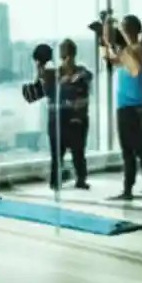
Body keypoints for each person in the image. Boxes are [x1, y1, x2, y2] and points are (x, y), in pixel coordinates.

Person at [101, 14, 142, 200]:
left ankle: (141, 186)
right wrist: (104, 38)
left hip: (134, 109)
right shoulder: (131, 51)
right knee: (133, 149)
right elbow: (110, 59)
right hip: (128, 107)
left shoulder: (139, 50)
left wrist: (117, 45)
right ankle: (134, 187)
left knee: (137, 149)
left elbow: (135, 67)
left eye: (122, 28)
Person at [37, 38, 93, 191]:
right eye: (65, 55)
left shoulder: (82, 73)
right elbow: (47, 91)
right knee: (57, 153)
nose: (67, 59)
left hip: (75, 119)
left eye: (69, 55)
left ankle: (80, 179)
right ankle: (56, 181)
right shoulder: (54, 74)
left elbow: (84, 81)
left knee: (78, 152)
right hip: (59, 119)